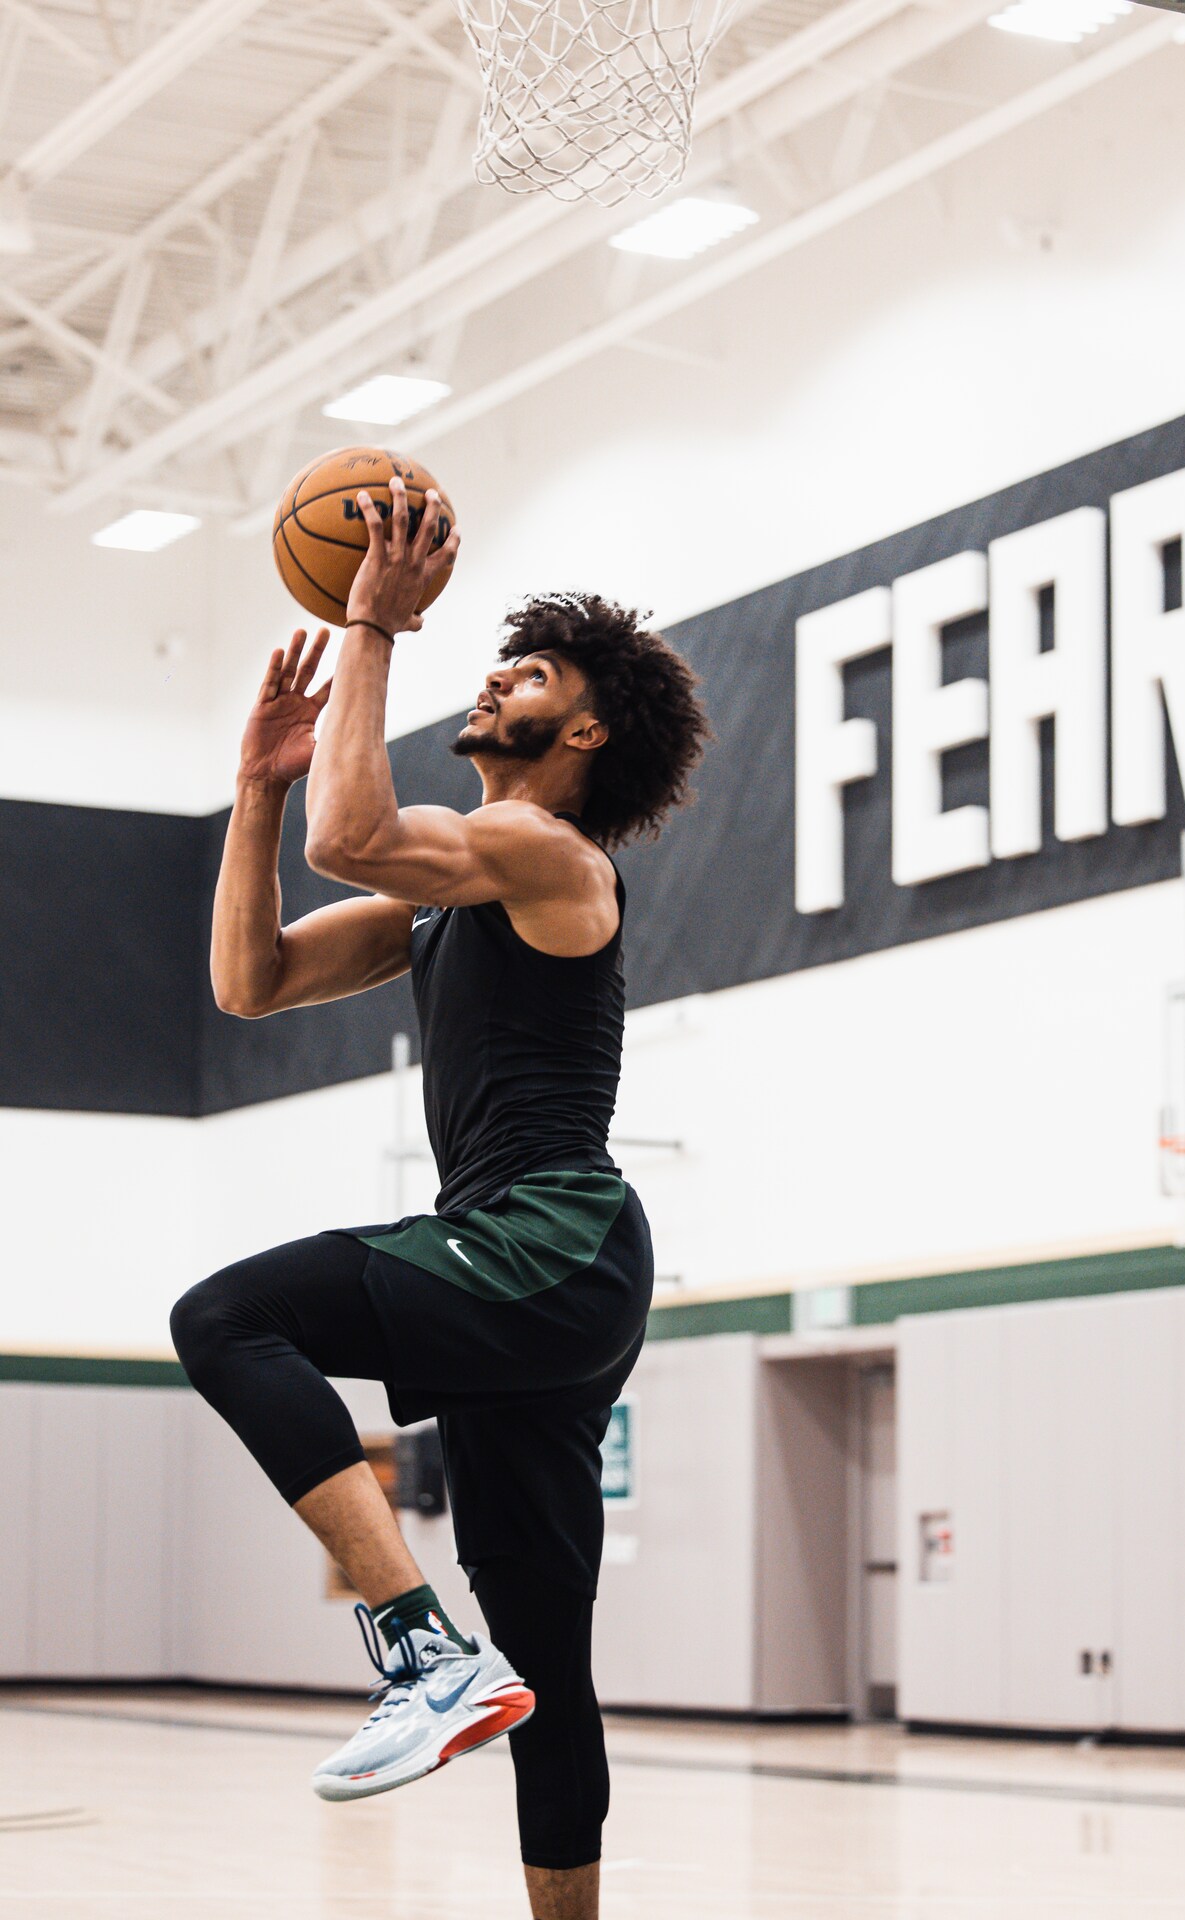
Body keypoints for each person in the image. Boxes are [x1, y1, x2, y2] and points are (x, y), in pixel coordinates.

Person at [169, 478, 711, 1920]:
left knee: (225, 1317)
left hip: (545, 1237)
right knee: (548, 1657)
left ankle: (416, 1643)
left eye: (526, 673)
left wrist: (372, 632)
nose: (494, 677)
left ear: (582, 733)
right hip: (554, 1276)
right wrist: (258, 790)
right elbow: (253, 978)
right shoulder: (448, 904)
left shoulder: (547, 852)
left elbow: (358, 837)